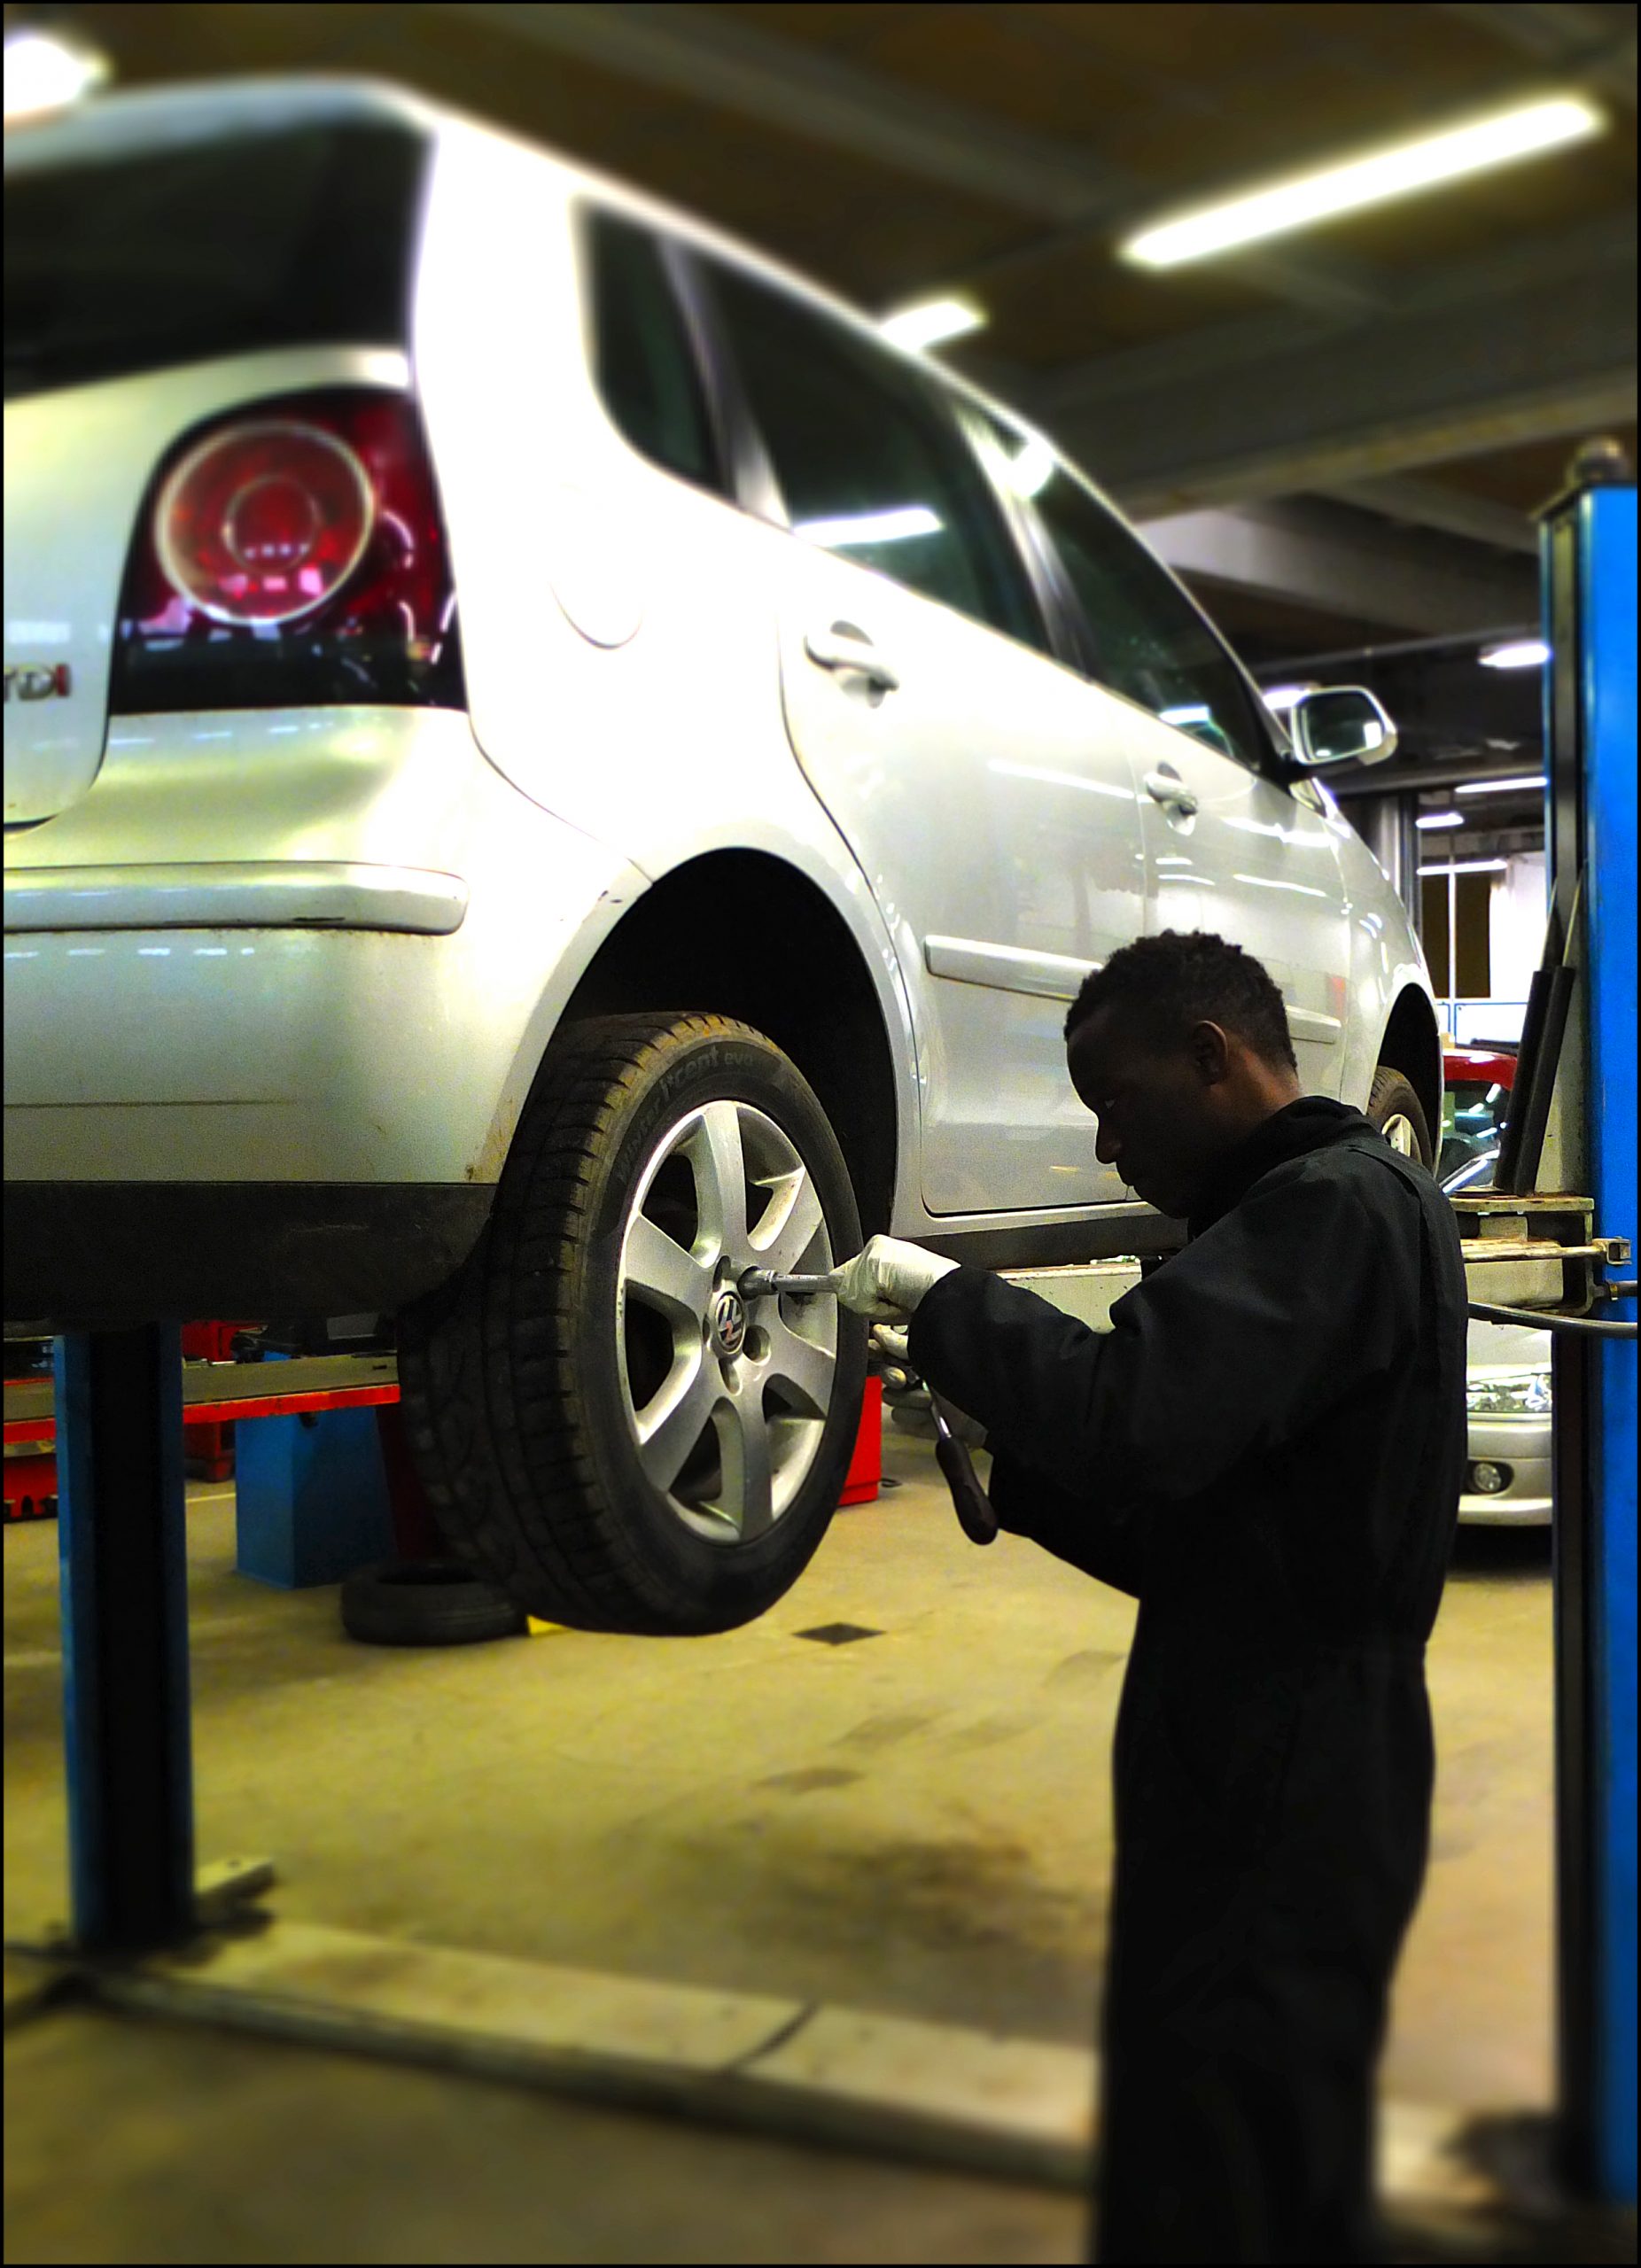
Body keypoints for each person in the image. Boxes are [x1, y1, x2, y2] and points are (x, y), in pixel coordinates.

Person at [828, 930, 1468, 2265]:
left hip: (1291, 1751)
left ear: (1211, 1057)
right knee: (1217, 2118)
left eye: (1116, 1109)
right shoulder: (1313, 1215)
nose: (1111, 1151)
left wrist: (954, 1302)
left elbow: (1138, 1417)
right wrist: (999, 1450)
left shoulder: (1335, 1209)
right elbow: (1196, 1524)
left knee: (1236, 2143)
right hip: (1261, 1715)